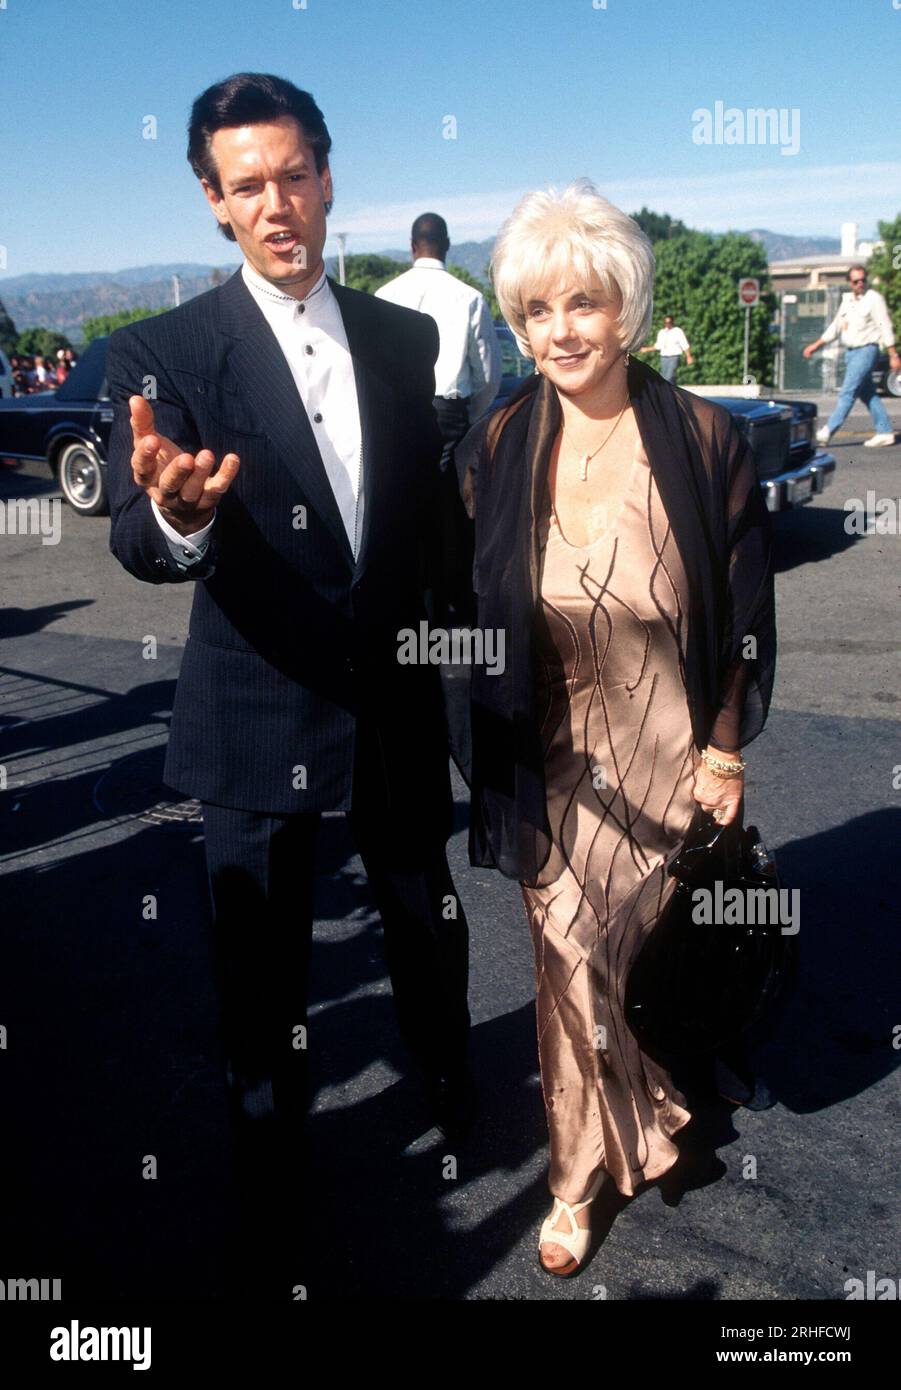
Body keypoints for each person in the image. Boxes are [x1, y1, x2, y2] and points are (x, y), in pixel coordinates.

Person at [105, 73, 475, 1215]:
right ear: (213, 202)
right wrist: (180, 513)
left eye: (294, 177)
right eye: (246, 185)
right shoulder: (161, 351)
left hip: (397, 700)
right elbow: (135, 531)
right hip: (255, 704)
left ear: (327, 178)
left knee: (429, 924)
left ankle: (457, 1094)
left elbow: (426, 521)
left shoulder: (405, 338)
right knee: (260, 977)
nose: (276, 205)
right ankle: (269, 1175)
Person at [454, 180, 776, 1276]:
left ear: (625, 307)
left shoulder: (700, 438)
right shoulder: (499, 438)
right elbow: (465, 592)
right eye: (537, 312)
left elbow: (740, 611)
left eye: (582, 305)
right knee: (566, 959)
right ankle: (573, 1177)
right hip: (550, 753)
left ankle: (644, 1107)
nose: (560, 332)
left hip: (667, 749)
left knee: (625, 964)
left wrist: (724, 745)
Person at [376, 213, 501, 624]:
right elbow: (486, 373)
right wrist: (470, 415)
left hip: (398, 415)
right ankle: (462, 605)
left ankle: (415, 606)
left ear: (413, 246)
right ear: (445, 246)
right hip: (450, 415)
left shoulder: (385, 295)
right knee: (456, 511)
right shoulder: (468, 297)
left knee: (405, 505)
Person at [804, 265, 898, 447]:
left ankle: (826, 432)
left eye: (863, 280)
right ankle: (885, 431)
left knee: (847, 393)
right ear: (849, 282)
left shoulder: (874, 299)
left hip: (867, 350)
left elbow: (884, 326)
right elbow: (835, 327)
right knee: (868, 394)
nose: (860, 284)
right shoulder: (847, 301)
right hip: (851, 353)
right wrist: (815, 346)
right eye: (856, 281)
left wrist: (893, 354)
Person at [638, 313, 693, 382]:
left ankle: (669, 392)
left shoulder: (678, 331)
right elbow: (658, 346)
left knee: (669, 376)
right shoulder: (662, 332)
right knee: (664, 377)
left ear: (672, 322)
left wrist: (689, 356)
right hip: (664, 358)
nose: (667, 324)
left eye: (669, 322)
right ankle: (672, 392)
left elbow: (684, 344)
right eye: (666, 322)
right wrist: (646, 349)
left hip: (674, 357)